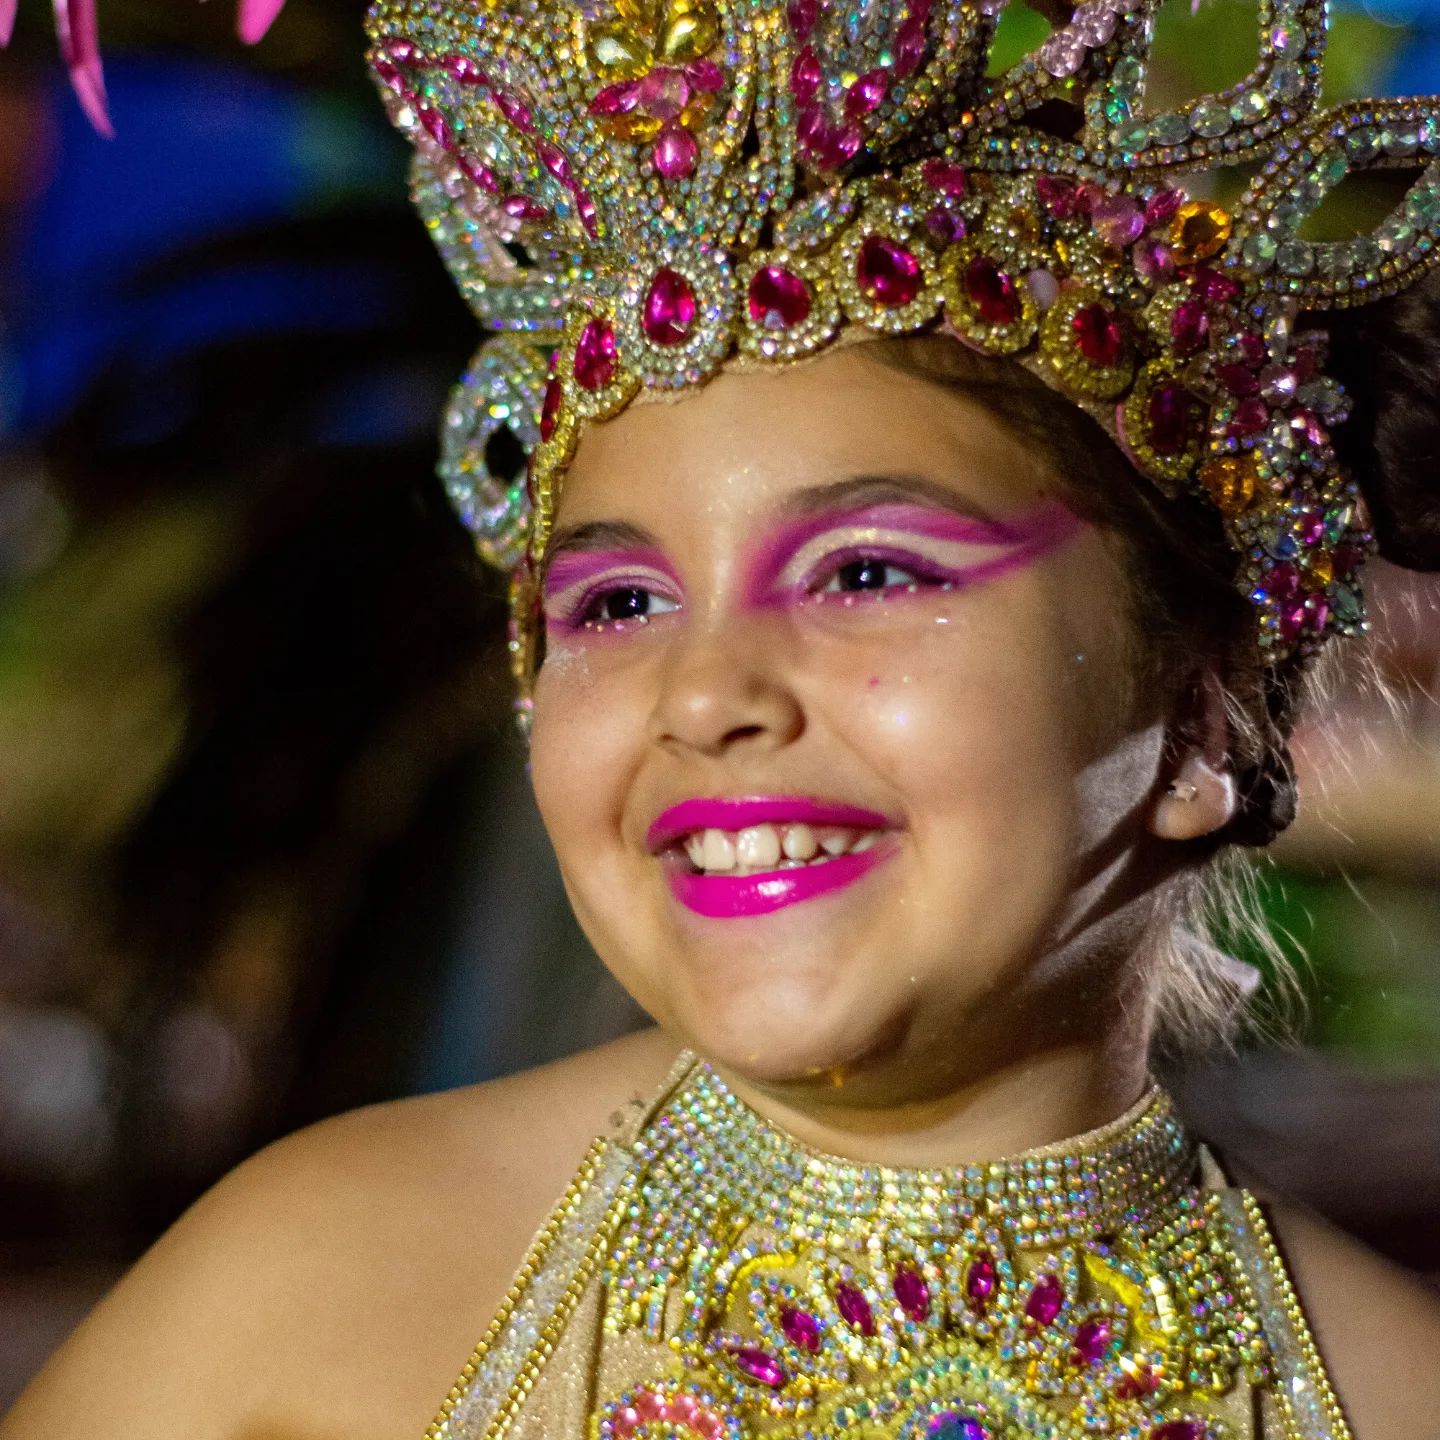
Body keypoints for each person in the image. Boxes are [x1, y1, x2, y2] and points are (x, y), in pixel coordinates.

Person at [7, 0, 1440, 1437]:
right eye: (620, 604)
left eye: (867, 575)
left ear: (1201, 713)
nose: (706, 695)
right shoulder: (309, 1295)